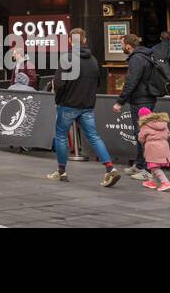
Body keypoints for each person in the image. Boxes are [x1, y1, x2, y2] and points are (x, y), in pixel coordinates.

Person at [49, 28, 120, 186]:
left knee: (61, 136)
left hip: (67, 104)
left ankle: (61, 171)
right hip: (87, 105)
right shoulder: (93, 60)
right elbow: (98, 83)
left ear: (69, 41)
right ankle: (110, 168)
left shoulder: (67, 58)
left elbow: (59, 84)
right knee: (94, 137)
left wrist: (59, 100)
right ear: (84, 40)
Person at [112, 34, 169, 180]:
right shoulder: (145, 55)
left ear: (128, 45)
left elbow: (131, 81)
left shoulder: (136, 58)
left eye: (122, 44)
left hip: (141, 99)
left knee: (143, 134)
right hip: (146, 97)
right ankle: (139, 164)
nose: (122, 47)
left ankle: (146, 170)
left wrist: (120, 101)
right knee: (141, 133)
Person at [137, 106, 170, 191]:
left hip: (152, 148)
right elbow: (168, 134)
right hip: (164, 146)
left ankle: (165, 182)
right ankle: (152, 182)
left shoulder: (145, 125)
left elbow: (141, 138)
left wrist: (143, 141)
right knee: (154, 165)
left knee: (153, 167)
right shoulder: (163, 122)